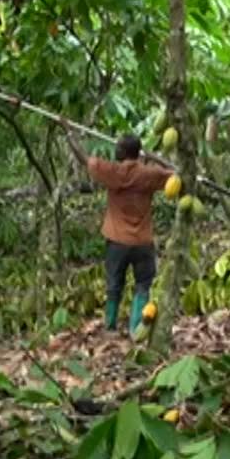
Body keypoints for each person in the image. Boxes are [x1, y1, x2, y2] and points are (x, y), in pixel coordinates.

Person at [65, 130, 173, 333]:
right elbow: (174, 175)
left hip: (117, 241)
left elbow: (85, 159)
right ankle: (136, 330)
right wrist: (153, 158)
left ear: (124, 152)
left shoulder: (112, 172)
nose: (115, 150)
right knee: (143, 285)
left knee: (114, 284)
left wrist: (69, 134)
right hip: (142, 241)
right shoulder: (148, 174)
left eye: (118, 147)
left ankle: (111, 327)